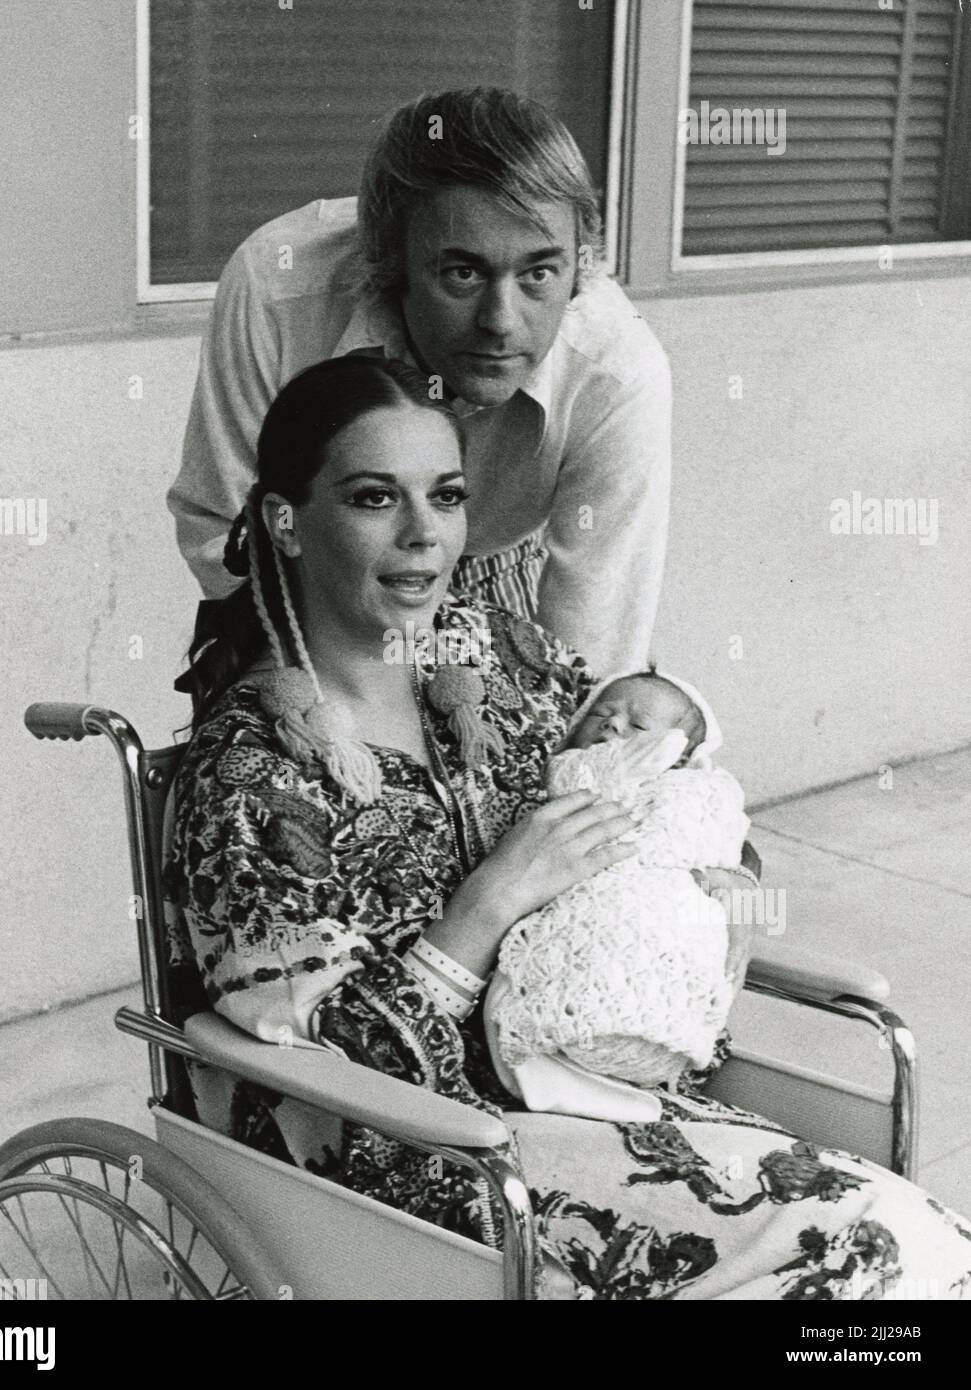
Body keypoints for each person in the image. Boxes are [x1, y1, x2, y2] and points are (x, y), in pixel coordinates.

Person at [165, 355, 971, 1300]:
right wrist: (492, 898)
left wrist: (725, 878)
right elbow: (310, 1076)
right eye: (375, 498)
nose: (425, 535)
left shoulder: (495, 657)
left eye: (447, 495)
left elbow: (655, 770)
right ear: (287, 522)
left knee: (913, 1247)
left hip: (591, 1088)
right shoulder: (253, 770)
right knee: (862, 1260)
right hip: (426, 1162)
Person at [167, 86, 672, 674]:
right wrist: (312, 689)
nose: (501, 324)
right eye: (462, 273)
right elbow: (223, 519)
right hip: (308, 584)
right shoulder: (276, 288)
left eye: (538, 272)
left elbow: (592, 651)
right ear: (391, 261)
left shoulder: (617, 371)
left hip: (499, 565)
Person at [484, 670, 751, 1120]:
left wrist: (742, 887)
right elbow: (574, 781)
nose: (612, 726)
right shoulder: (575, 772)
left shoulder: (704, 788)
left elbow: (729, 840)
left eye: (639, 727)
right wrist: (630, 758)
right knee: (580, 954)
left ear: (686, 754)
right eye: (602, 715)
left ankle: (649, 1044)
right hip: (599, 894)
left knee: (663, 959)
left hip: (673, 919)